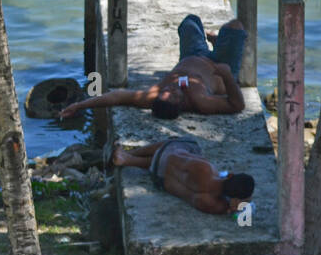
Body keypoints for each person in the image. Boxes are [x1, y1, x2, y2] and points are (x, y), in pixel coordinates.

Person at [59, 15, 248, 119]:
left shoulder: (155, 94)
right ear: (182, 104)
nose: (171, 88)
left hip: (192, 55)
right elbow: (237, 105)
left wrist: (79, 105)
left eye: (166, 91)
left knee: (190, 21)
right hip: (218, 64)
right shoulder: (201, 101)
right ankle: (219, 44)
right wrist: (227, 76)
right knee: (236, 25)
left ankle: (214, 41)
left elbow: (116, 96)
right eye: (175, 94)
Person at [111, 137, 254, 215]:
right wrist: (233, 205)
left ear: (230, 175)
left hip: (166, 157)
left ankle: (130, 157)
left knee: (181, 143)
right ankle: (128, 158)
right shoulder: (214, 204)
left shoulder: (208, 169)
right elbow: (228, 208)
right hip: (161, 181)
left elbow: (174, 156)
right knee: (166, 164)